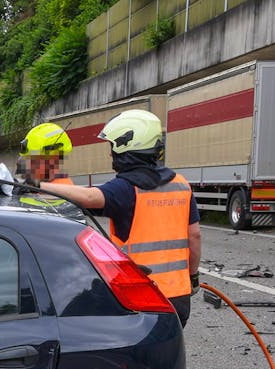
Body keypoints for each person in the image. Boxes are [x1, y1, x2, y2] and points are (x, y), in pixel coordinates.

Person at [35, 109, 202, 327]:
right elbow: (195, 236)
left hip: (141, 296)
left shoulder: (127, 188)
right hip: (179, 297)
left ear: (126, 146)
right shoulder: (181, 184)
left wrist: (35, 186)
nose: (110, 153)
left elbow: (89, 197)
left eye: (112, 146)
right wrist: (193, 276)